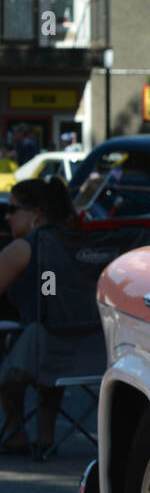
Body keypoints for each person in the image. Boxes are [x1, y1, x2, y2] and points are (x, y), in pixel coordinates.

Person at [0, 177, 76, 456]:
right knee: (49, 327)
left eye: (13, 209)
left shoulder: (25, 248)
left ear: (37, 213)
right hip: (87, 351)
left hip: (40, 350)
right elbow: (54, 295)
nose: (6, 217)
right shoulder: (78, 242)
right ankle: (46, 434)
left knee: (29, 337)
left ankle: (16, 431)